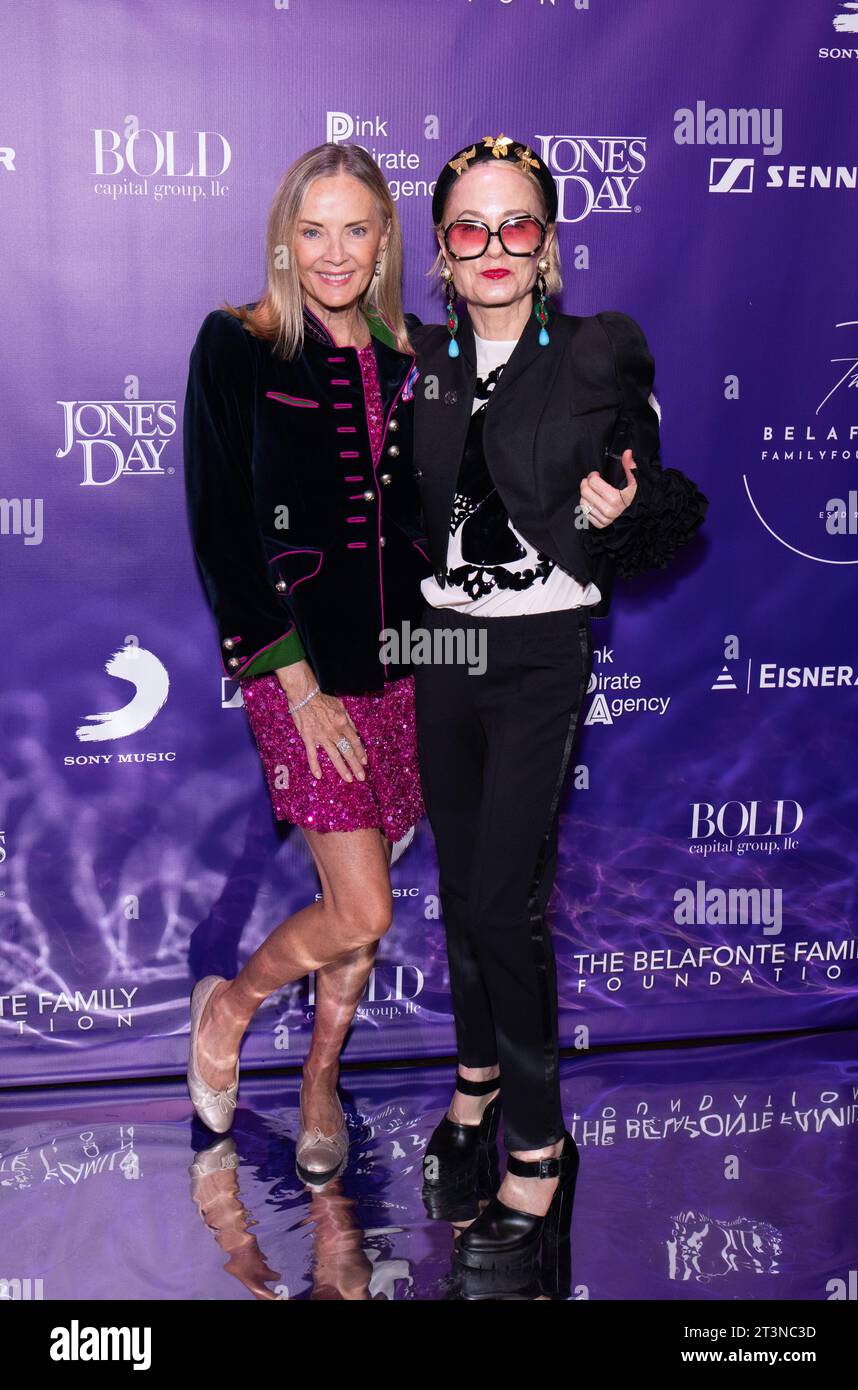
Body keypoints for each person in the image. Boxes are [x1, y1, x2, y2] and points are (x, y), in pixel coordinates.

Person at [409, 132, 708, 1289]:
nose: (492, 247)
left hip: (538, 652)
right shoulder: (418, 362)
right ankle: (474, 1079)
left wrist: (619, 493)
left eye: (515, 225)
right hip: (437, 648)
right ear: (440, 250)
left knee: (501, 897)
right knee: (462, 890)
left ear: (548, 248)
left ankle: (536, 1143)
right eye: (468, 228)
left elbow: (645, 467)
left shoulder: (593, 349)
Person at [182, 142, 431, 1186]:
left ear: (383, 242)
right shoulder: (238, 345)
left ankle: (321, 1077)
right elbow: (220, 528)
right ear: (286, 235)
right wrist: (291, 677)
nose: (333, 252)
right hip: (299, 668)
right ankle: (230, 1007)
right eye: (313, 228)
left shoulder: (420, 351)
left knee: (361, 918)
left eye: (356, 229)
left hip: (413, 662)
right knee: (362, 905)